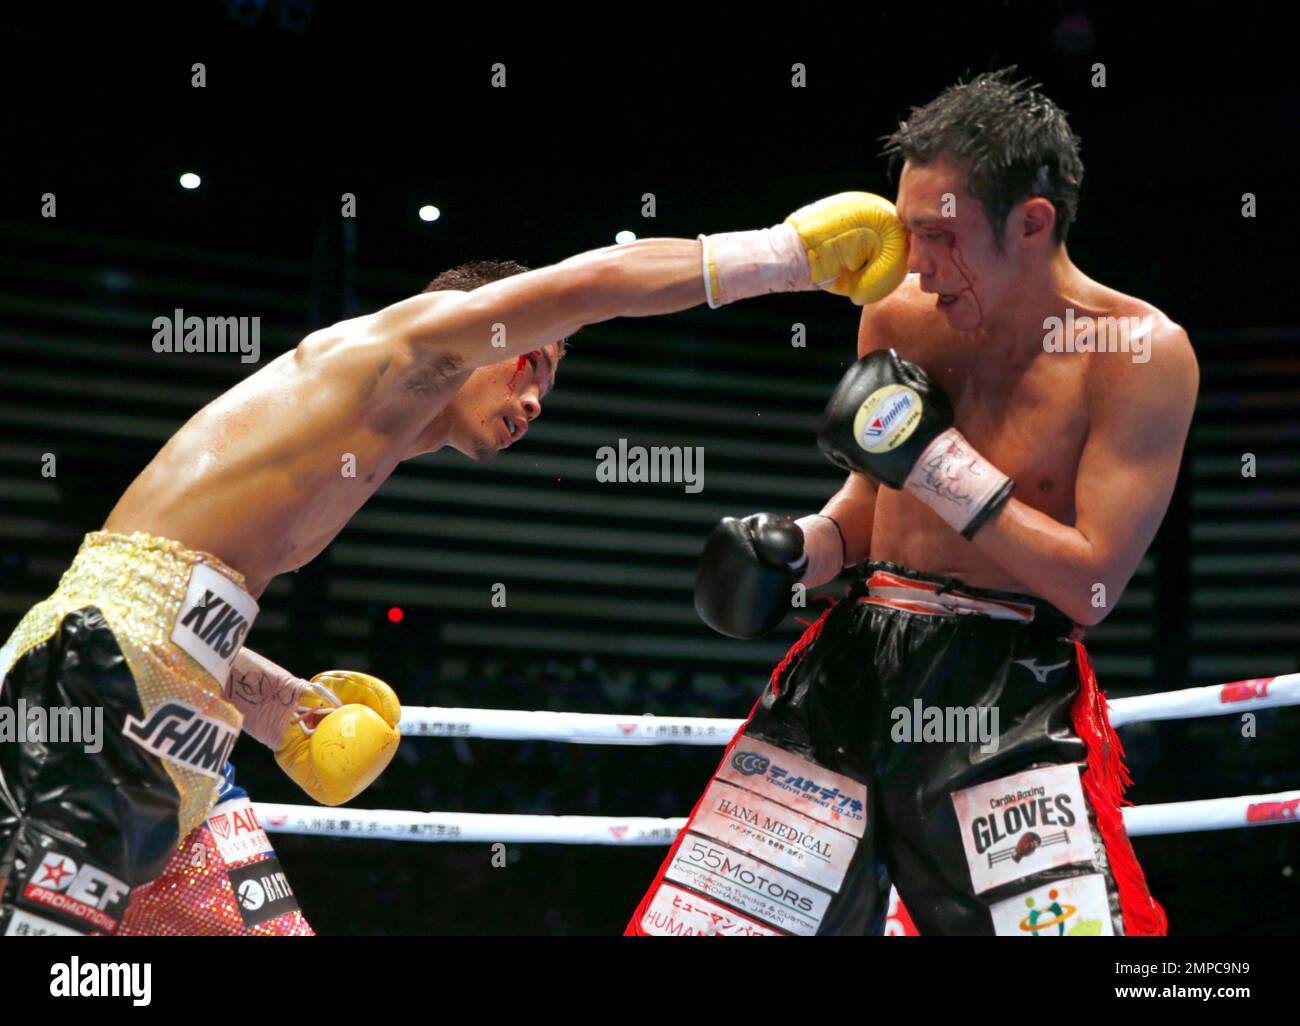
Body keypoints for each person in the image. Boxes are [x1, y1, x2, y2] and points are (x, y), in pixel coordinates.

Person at [0, 192, 905, 935]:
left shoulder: (349, 451)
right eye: (533, 362)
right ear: (486, 333)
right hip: (96, 682)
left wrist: (287, 717)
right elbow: (594, 285)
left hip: (175, 713)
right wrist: (784, 254)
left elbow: (181, 617)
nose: (538, 396)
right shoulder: (403, 344)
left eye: (551, 382)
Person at [627, 69, 1195, 937]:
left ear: (1033, 223)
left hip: (1006, 689)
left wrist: (938, 463)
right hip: (851, 663)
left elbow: (1090, 587)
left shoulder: (1136, 354)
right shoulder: (902, 315)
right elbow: (873, 501)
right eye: (909, 231)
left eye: (940, 235)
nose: (915, 263)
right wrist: (800, 549)